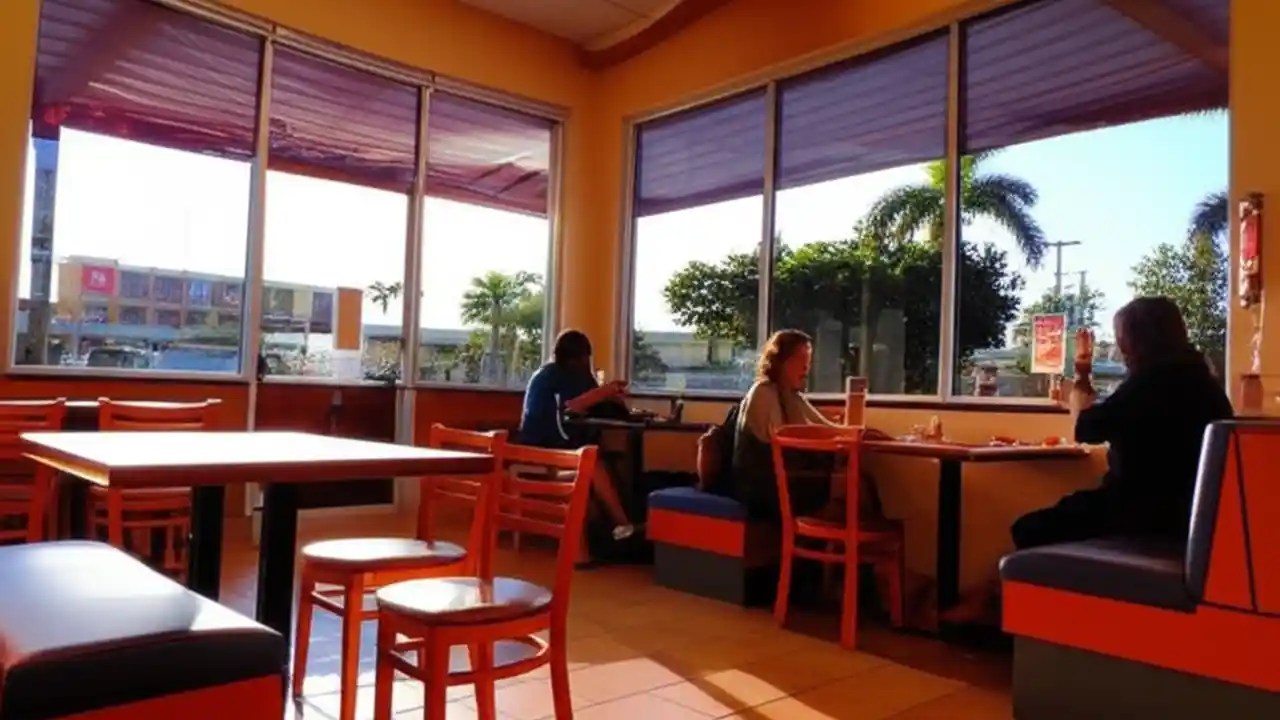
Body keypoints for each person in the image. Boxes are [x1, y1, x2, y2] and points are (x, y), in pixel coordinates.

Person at [945, 296, 1233, 623]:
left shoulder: (1152, 381)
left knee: (1030, 528)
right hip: (1183, 516)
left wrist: (1082, 372)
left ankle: (1003, 613)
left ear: (1139, 339)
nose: (1121, 349)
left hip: (1139, 511)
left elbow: (1087, 427)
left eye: (1122, 338)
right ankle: (996, 605)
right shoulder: (1204, 383)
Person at [519, 329, 636, 541]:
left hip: (552, 443)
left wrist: (609, 397)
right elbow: (570, 407)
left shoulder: (567, 375)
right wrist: (603, 392)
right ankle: (623, 524)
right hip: (540, 446)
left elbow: (587, 406)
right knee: (594, 463)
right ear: (579, 357)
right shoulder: (552, 376)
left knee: (611, 459)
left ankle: (609, 526)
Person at [733, 329, 844, 520]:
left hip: (785, 478)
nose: (806, 367)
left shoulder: (793, 396)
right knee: (849, 486)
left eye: (808, 360)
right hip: (760, 485)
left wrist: (862, 433)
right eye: (800, 359)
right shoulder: (762, 392)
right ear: (781, 361)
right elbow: (789, 436)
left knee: (858, 483)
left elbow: (827, 428)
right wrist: (835, 437)